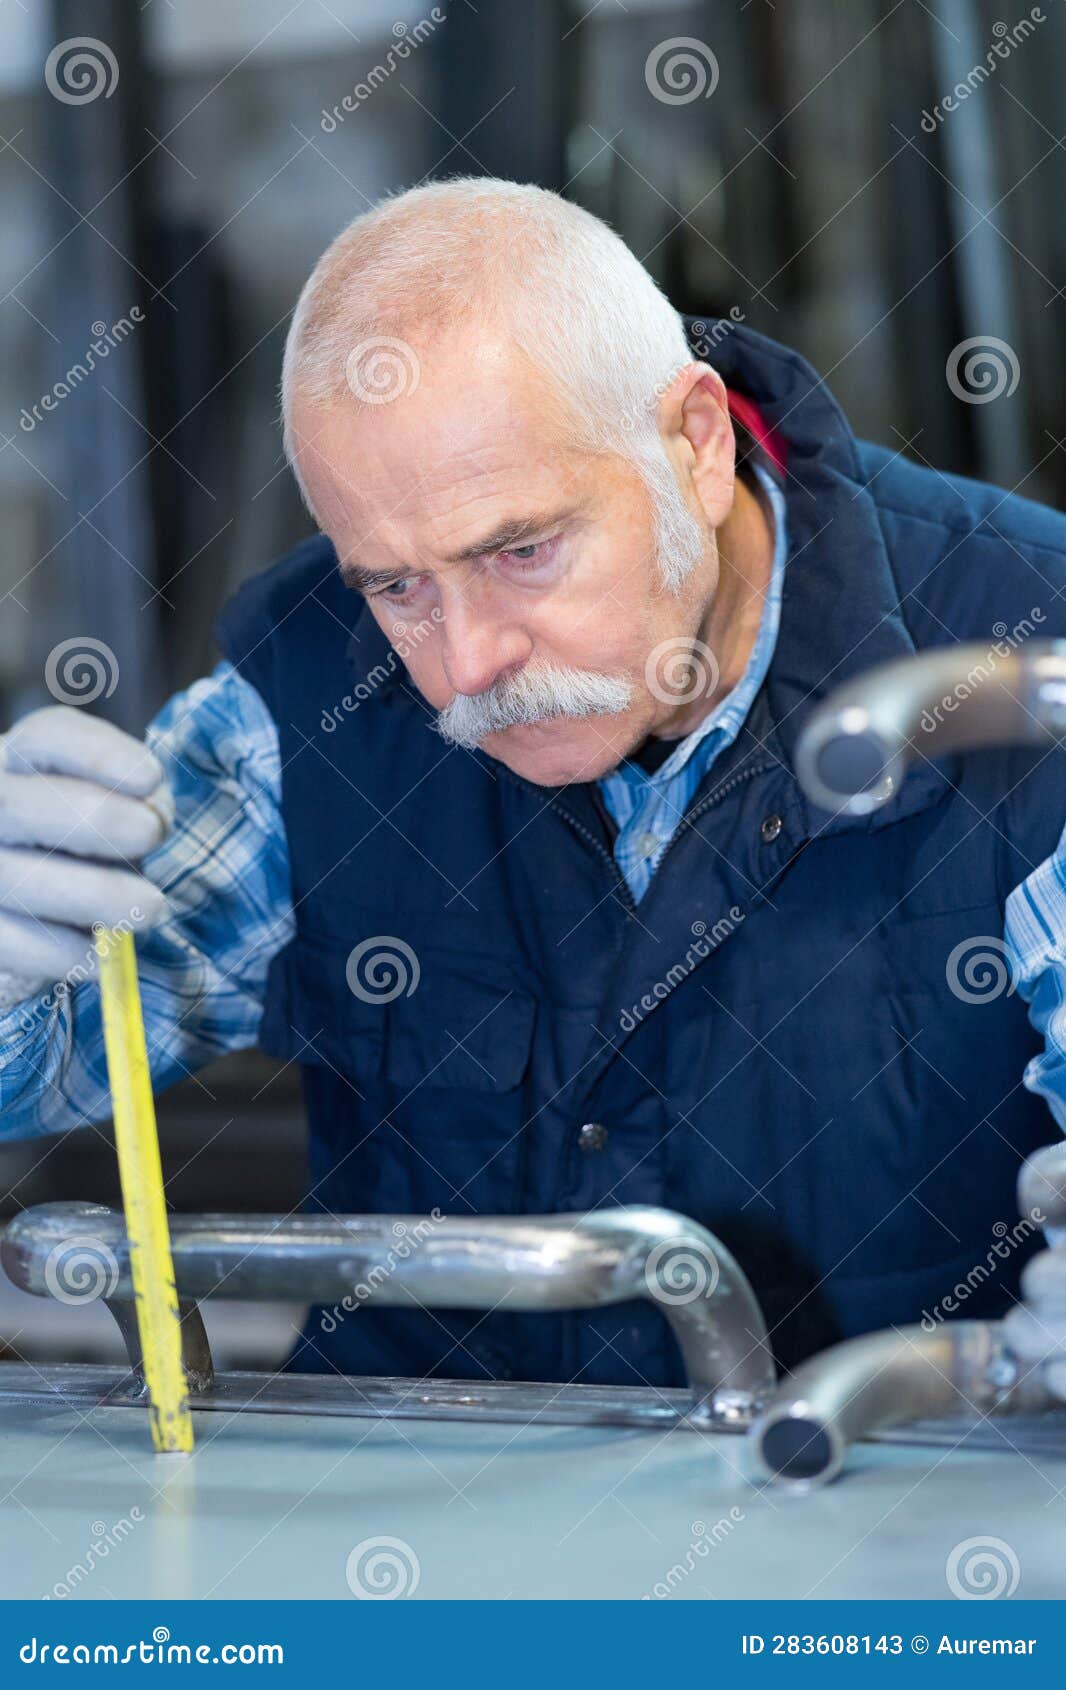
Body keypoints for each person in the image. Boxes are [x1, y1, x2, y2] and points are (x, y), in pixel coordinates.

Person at [2, 178, 1065, 1392]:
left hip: (870, 1529)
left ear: (698, 444)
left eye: (519, 551)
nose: (465, 665)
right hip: (401, 1531)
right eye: (396, 586)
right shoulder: (306, 686)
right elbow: (51, 1060)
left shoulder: (1022, 662)